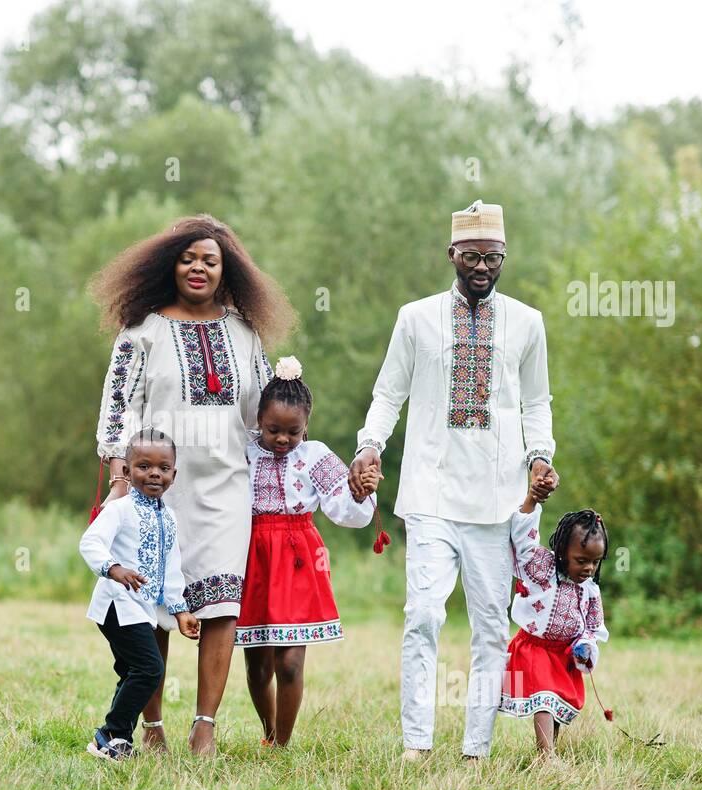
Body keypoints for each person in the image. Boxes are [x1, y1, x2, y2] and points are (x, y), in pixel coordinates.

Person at [351, 199, 560, 760]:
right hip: (431, 493)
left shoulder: (527, 322)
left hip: (499, 502)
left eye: (493, 257)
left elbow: (537, 402)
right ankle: (416, 744)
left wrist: (540, 456)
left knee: (491, 629)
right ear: (452, 254)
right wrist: (369, 446)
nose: (483, 267)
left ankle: (476, 750)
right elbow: (389, 393)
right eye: (472, 256)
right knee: (422, 615)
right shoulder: (415, 318)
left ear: (503, 257)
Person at [90, 214, 295, 755]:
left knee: (223, 604)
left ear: (228, 270)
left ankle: (205, 724)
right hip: (157, 492)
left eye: (209, 259)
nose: (198, 267)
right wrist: (120, 478)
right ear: (169, 265)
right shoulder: (143, 331)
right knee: (153, 608)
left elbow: (263, 414)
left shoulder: (245, 333)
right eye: (187, 258)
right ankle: (152, 727)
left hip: (228, 488)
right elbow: (118, 408)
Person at [235, 356, 376, 747]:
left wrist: (359, 491)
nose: (282, 439)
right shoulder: (243, 453)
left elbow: (342, 506)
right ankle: (267, 732)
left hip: (298, 558)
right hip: (253, 557)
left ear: (306, 427)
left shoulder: (314, 456)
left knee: (290, 663)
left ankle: (282, 744)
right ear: (258, 421)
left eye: (292, 432)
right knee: (258, 665)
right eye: (273, 430)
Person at [79, 429, 201, 761]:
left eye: (163, 468)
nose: (154, 474)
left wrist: (180, 611)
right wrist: (112, 568)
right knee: (149, 668)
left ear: (174, 475)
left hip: (142, 609)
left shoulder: (169, 518)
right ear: (128, 471)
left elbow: (172, 567)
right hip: (117, 605)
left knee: (133, 672)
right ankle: (110, 734)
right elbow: (90, 542)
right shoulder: (120, 509)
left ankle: (119, 740)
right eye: (144, 466)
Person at [501, 473, 610, 758]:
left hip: (563, 655)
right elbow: (523, 542)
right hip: (535, 649)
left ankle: (548, 749)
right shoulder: (543, 567)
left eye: (595, 562)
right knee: (545, 700)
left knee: (556, 702)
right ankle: (546, 757)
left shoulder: (590, 591)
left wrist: (586, 645)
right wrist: (531, 500)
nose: (588, 568)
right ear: (562, 551)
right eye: (581, 560)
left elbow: (593, 627)